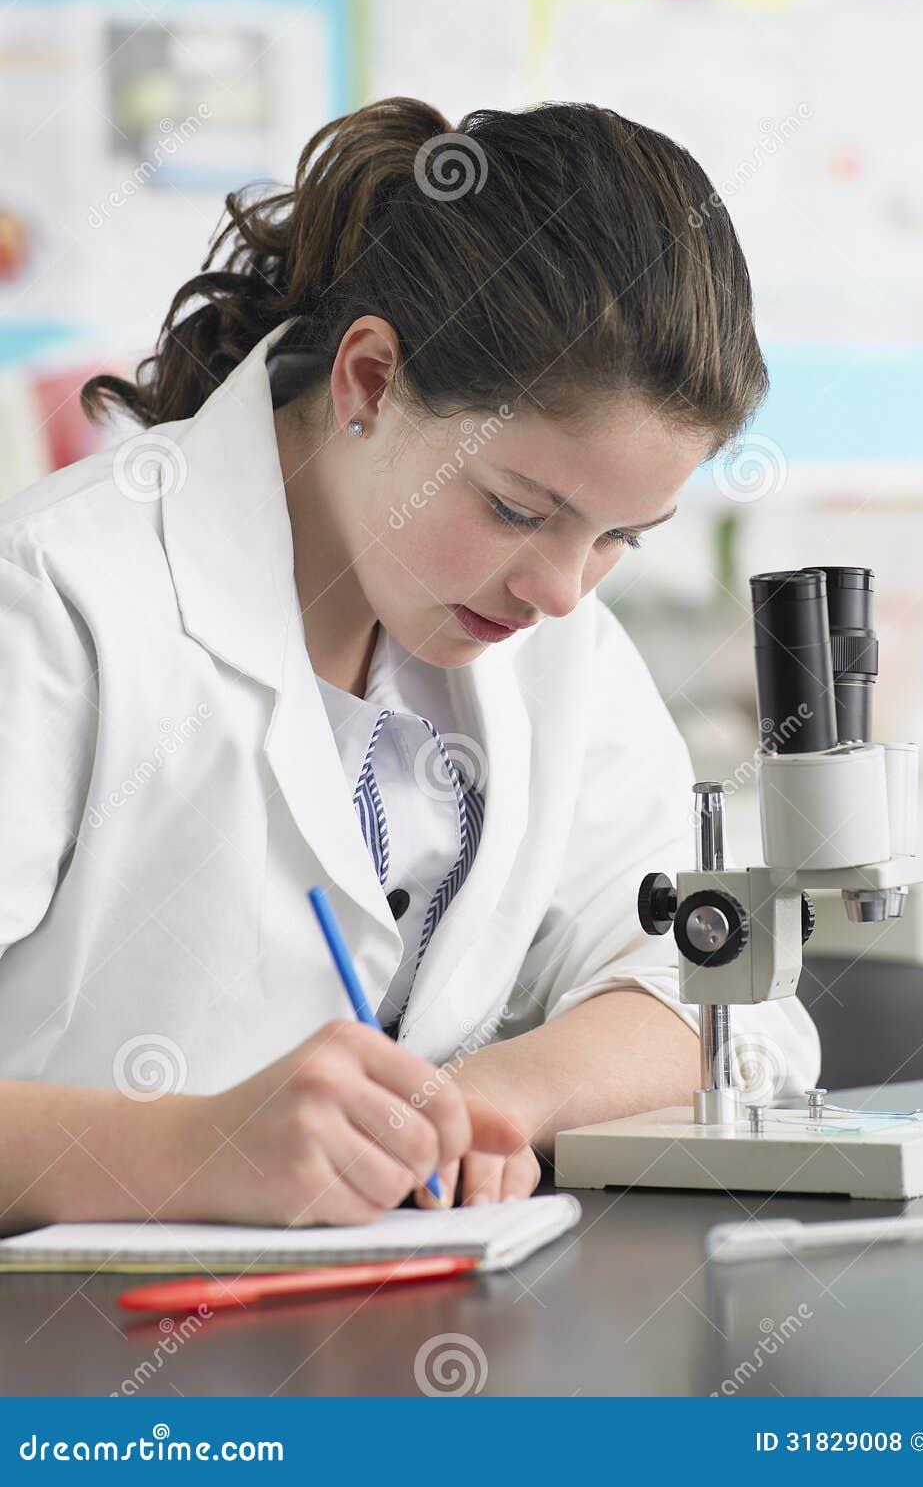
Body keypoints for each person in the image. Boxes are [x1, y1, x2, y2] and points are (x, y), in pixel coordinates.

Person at [0, 95, 818, 1231]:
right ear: (369, 382)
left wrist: (479, 1100)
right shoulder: (57, 597)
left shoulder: (546, 634)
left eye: (623, 537)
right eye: (516, 507)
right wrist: (192, 1150)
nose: (563, 590)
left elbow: (729, 999)